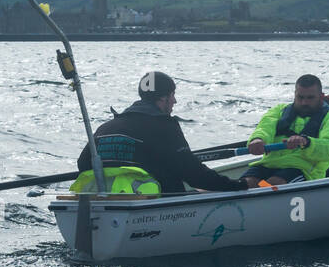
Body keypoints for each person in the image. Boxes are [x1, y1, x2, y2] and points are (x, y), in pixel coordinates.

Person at [74, 71, 242, 195]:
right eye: (172, 95)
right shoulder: (164, 126)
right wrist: (238, 186)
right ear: (163, 98)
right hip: (155, 206)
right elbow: (193, 174)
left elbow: (83, 164)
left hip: (105, 202)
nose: (175, 101)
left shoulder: (106, 127)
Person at [236, 74, 329, 188]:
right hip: (268, 165)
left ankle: (259, 194)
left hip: (303, 170)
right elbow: (264, 128)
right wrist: (258, 139)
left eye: (310, 98)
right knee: (245, 184)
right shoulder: (279, 110)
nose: (304, 103)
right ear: (295, 95)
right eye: (300, 97)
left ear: (321, 97)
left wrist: (306, 142)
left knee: (270, 186)